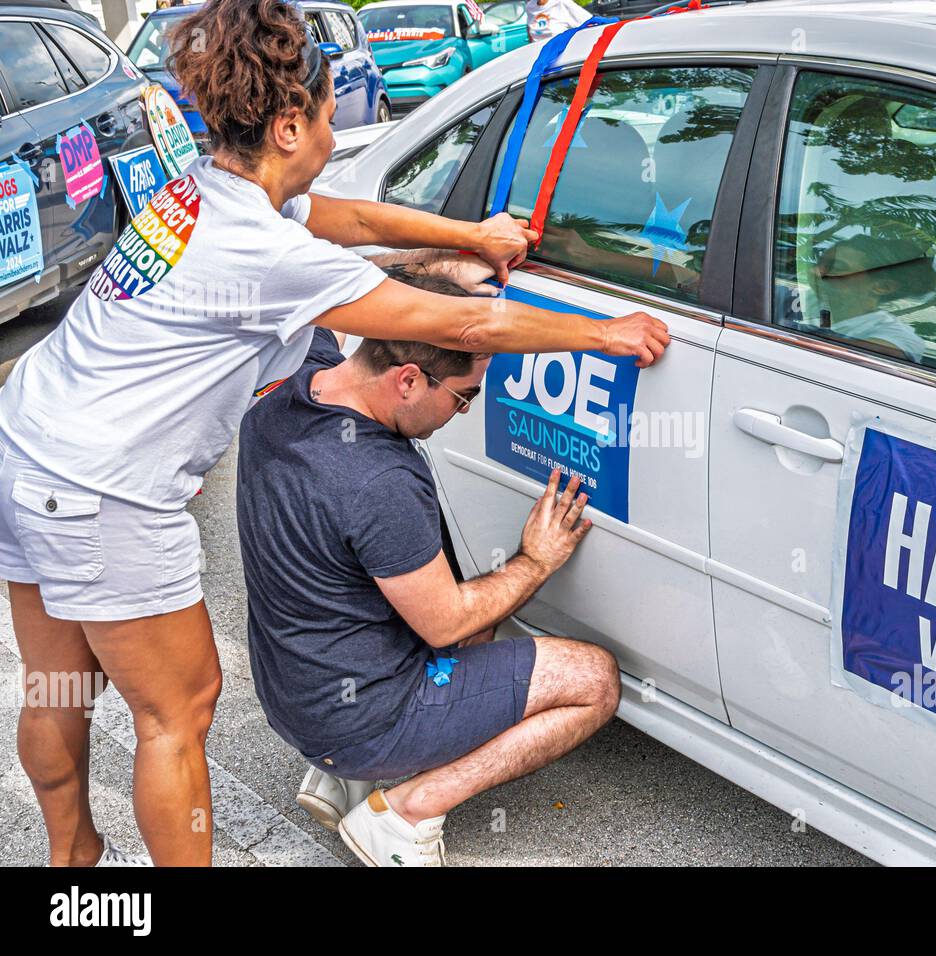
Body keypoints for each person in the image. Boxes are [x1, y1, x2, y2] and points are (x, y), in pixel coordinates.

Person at [0, 0, 667, 867]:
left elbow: (348, 219)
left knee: (61, 685)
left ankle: (72, 865)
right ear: (287, 126)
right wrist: (601, 332)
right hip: (102, 489)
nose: (328, 130)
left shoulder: (204, 191)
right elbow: (462, 329)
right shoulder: (264, 251)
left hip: (25, 441)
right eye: (319, 116)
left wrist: (468, 234)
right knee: (178, 711)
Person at [237, 269, 617, 867]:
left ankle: (344, 779)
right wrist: (535, 560)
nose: (463, 413)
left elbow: (332, 276)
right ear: (408, 380)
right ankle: (405, 810)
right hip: (359, 716)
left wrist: (441, 267)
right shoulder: (378, 480)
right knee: (594, 680)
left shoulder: (291, 380)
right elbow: (444, 625)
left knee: (478, 613)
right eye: (462, 396)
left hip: (292, 695)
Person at [526, 0, 592, 42]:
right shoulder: (530, 6)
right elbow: (529, 29)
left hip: (560, 58)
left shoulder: (561, 2)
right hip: (538, 57)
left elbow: (590, 23)